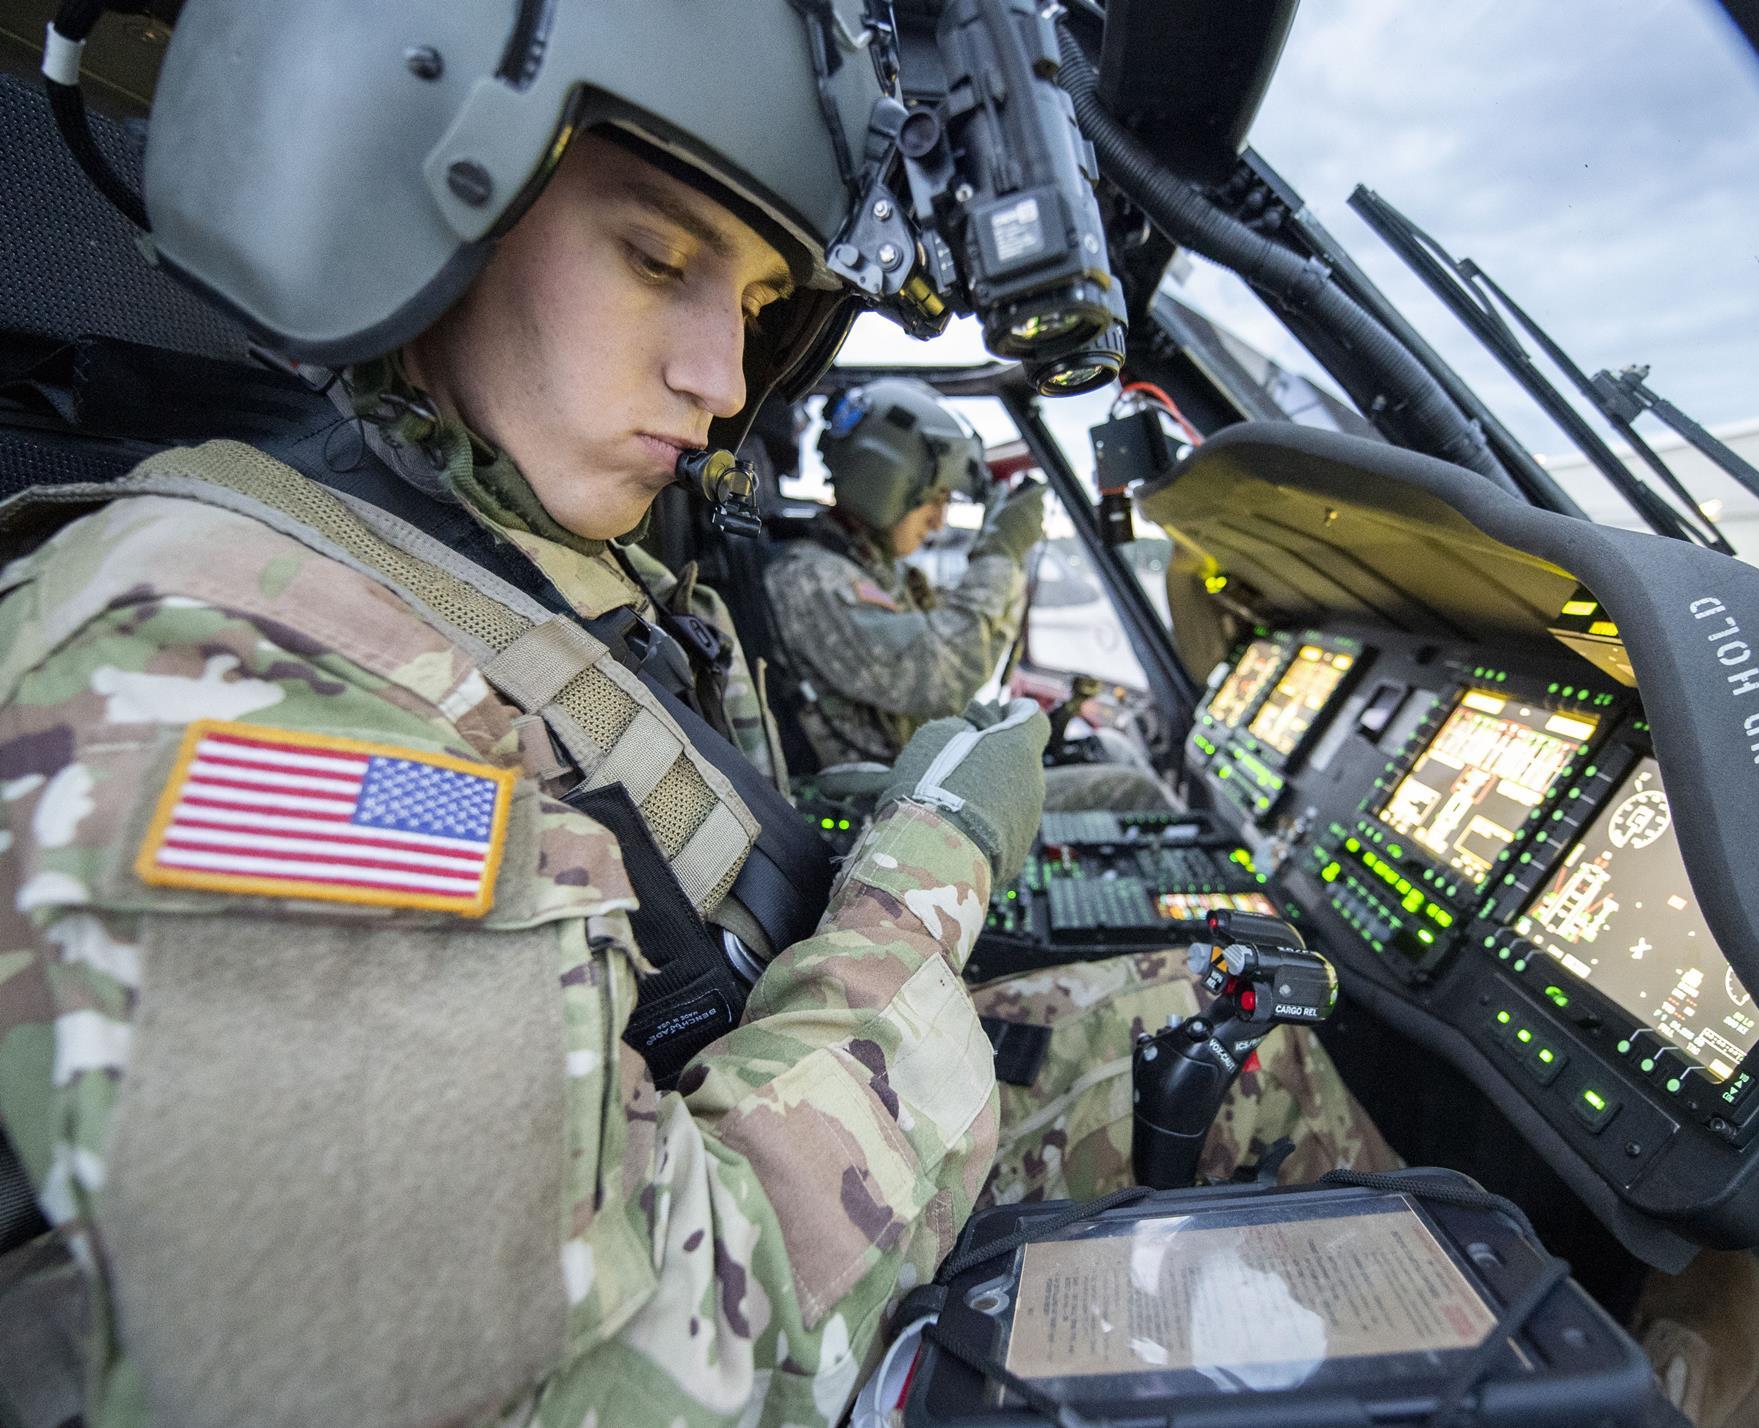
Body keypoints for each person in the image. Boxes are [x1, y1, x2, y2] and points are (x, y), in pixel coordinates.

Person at [0, 5, 1394, 1426]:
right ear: (397, 197)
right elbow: (617, 1378)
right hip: (718, 1300)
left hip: (714, 1104)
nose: (724, 384)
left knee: (1246, 1030)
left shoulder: (503, 553)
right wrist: (926, 878)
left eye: (747, 304)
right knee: (1248, 1071)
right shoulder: (215, 687)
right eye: (658, 257)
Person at [765, 377, 1170, 809]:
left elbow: (968, 634)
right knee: (1135, 794)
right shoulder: (813, 580)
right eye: (936, 499)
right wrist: (999, 553)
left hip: (920, 777)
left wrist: (1000, 548)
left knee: (1113, 749)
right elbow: (946, 675)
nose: (939, 522)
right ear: (888, 484)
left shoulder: (872, 570)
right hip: (893, 806)